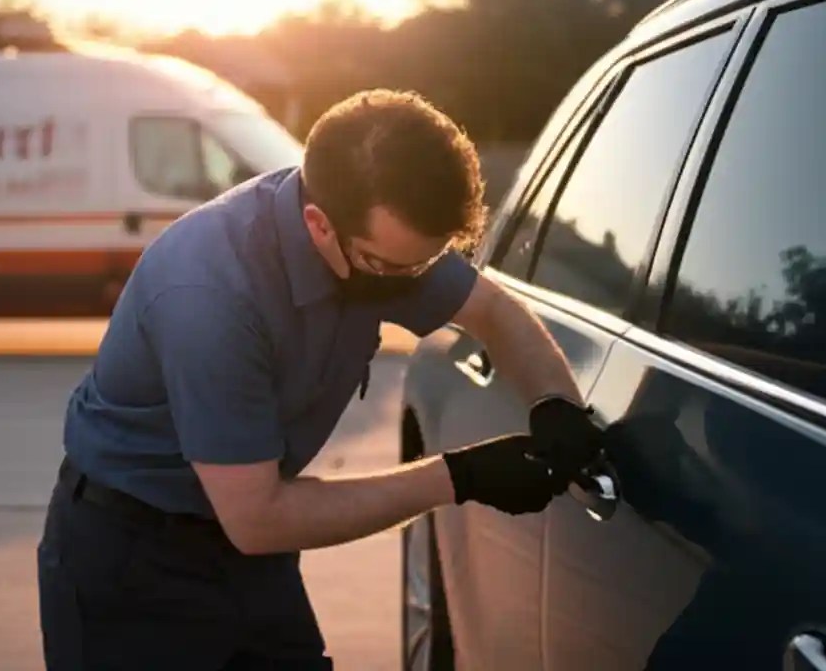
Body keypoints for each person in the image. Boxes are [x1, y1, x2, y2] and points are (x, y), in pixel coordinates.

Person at [36, 89, 604, 670]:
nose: (407, 283)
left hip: (251, 555)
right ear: (318, 225)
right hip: (129, 563)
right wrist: (459, 477)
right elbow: (258, 518)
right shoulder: (210, 297)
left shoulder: (378, 241)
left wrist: (556, 403)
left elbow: (493, 312)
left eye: (425, 266)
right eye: (389, 266)